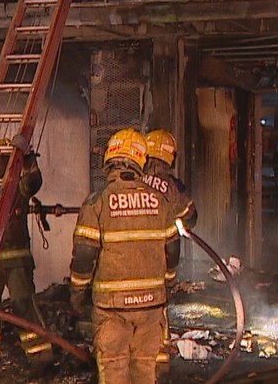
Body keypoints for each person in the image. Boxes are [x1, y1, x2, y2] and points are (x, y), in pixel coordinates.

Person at [69, 128, 179, 384]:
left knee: (115, 370)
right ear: (141, 160)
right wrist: (168, 283)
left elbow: (84, 256)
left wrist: (77, 293)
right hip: (152, 307)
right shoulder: (160, 201)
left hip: (112, 309)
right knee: (144, 370)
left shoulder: (97, 203)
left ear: (109, 159)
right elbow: (173, 249)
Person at [0, 145, 53, 378]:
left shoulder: (16, 188)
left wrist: (30, 161)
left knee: (23, 307)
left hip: (15, 260)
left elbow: (33, 183)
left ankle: (41, 358)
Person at [142, 128, 197, 375]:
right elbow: (191, 217)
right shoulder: (172, 187)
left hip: (127, 263)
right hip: (159, 263)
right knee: (157, 312)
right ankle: (159, 367)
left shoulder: (131, 182)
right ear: (168, 156)